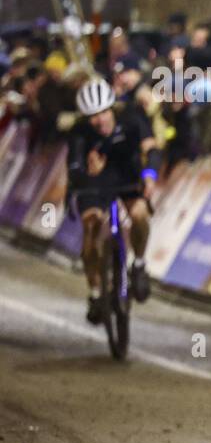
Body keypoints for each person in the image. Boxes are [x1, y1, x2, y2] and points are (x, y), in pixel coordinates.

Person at [66, 78, 161, 323]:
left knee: (139, 214)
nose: (100, 121)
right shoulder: (79, 133)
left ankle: (138, 264)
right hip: (95, 182)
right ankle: (95, 292)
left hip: (127, 175)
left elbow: (152, 150)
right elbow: (74, 170)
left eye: (103, 113)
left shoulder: (132, 118)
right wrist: (87, 173)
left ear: (112, 108)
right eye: (93, 117)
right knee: (91, 225)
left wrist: (149, 176)